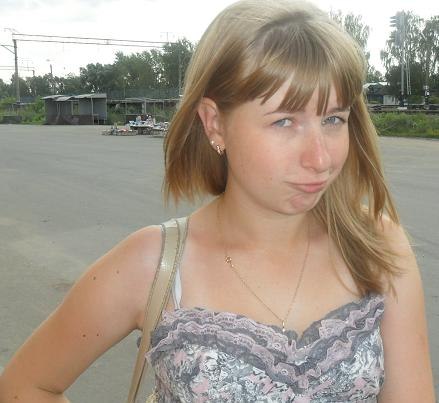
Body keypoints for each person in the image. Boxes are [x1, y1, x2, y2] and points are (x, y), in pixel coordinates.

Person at [0, 0, 435, 401]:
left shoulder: (377, 246)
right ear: (214, 123)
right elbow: (25, 386)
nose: (320, 158)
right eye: (284, 121)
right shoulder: (153, 266)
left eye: (334, 119)